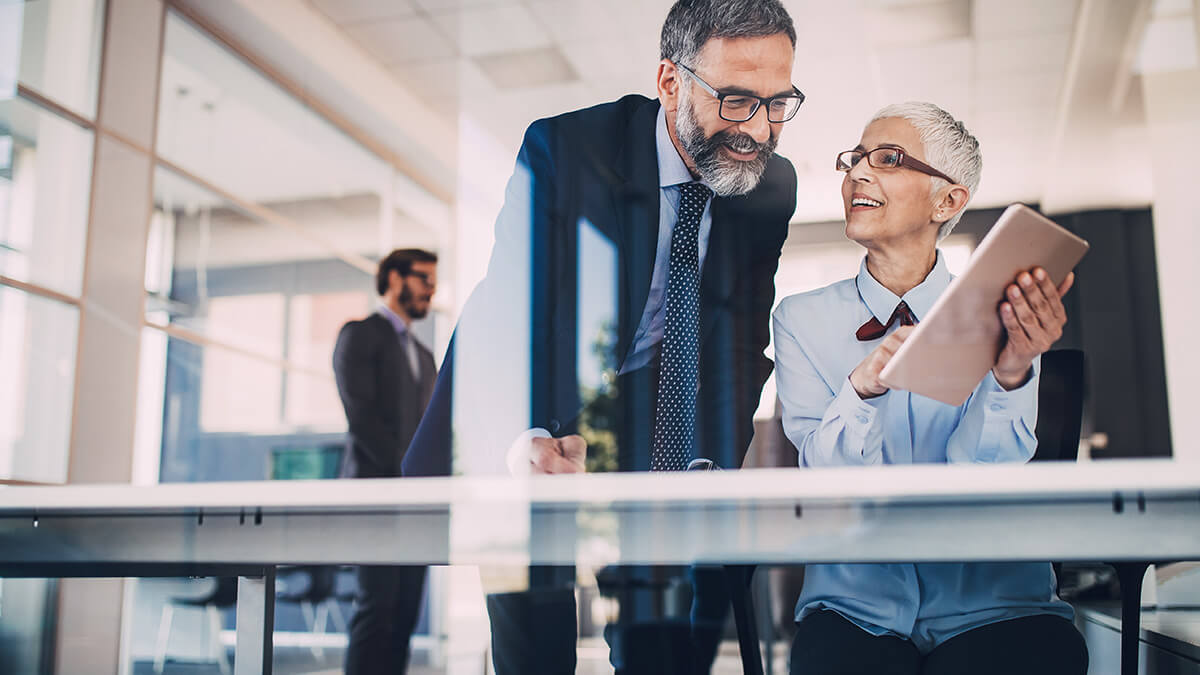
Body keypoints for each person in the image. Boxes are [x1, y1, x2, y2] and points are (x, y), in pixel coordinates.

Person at [402, 1, 801, 671]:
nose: (759, 129)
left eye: (778, 102)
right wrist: (521, 439)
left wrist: (705, 468)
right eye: (735, 100)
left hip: (654, 417)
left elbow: (736, 348)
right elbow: (511, 310)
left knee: (667, 647)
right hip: (538, 400)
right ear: (671, 82)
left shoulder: (768, 187)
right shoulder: (567, 149)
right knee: (537, 634)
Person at [772, 102, 1088, 675]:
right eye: (855, 159)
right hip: (855, 609)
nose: (857, 174)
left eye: (888, 159)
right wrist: (862, 387)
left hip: (994, 605)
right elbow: (829, 474)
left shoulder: (1001, 307)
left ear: (949, 200)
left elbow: (982, 476)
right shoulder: (799, 318)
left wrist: (1012, 368)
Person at [333, 248, 438, 675]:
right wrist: (409, 476)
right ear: (394, 279)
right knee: (376, 611)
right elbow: (363, 419)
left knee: (406, 617)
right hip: (375, 499)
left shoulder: (426, 356)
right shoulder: (360, 335)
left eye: (433, 282)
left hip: (417, 508)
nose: (431, 291)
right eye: (423, 280)